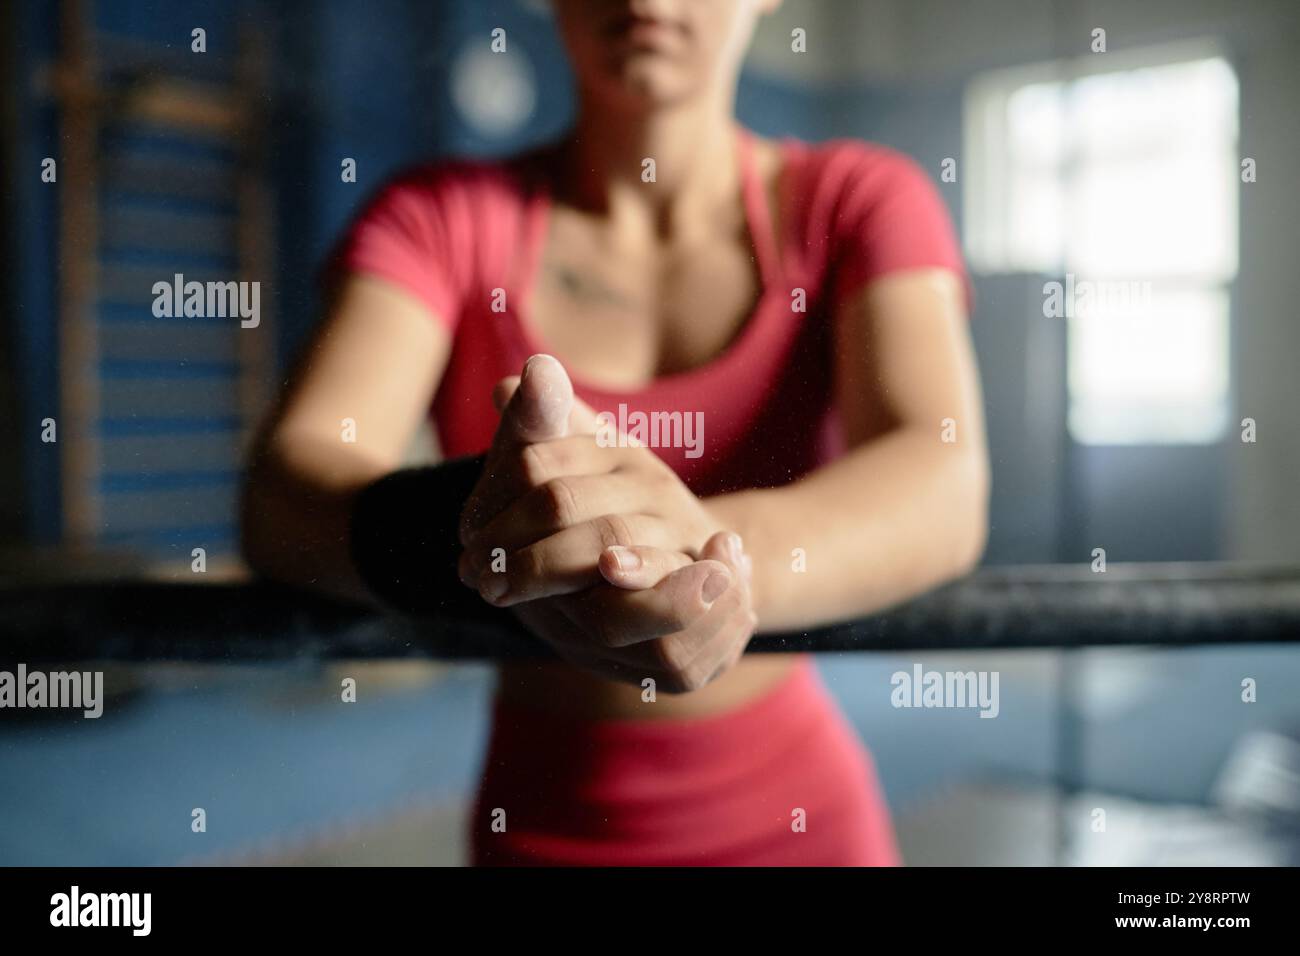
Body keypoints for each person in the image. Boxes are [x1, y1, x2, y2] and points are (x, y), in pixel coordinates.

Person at [240, 0, 989, 866]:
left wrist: (707, 567)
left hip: (800, 819)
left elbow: (941, 474)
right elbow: (283, 492)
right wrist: (488, 523)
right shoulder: (438, 217)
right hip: (540, 823)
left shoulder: (858, 199)